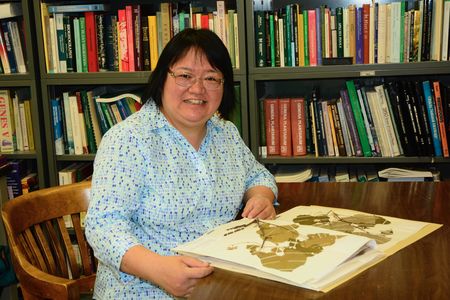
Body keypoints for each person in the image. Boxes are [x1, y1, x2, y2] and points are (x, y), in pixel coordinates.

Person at [85, 28, 277, 299]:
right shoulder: (128, 140)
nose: (198, 89)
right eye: (185, 76)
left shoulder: (226, 133)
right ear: (162, 77)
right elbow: (103, 227)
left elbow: (257, 174)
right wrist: (159, 270)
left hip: (220, 285)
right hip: (143, 290)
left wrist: (261, 197)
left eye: (211, 78)